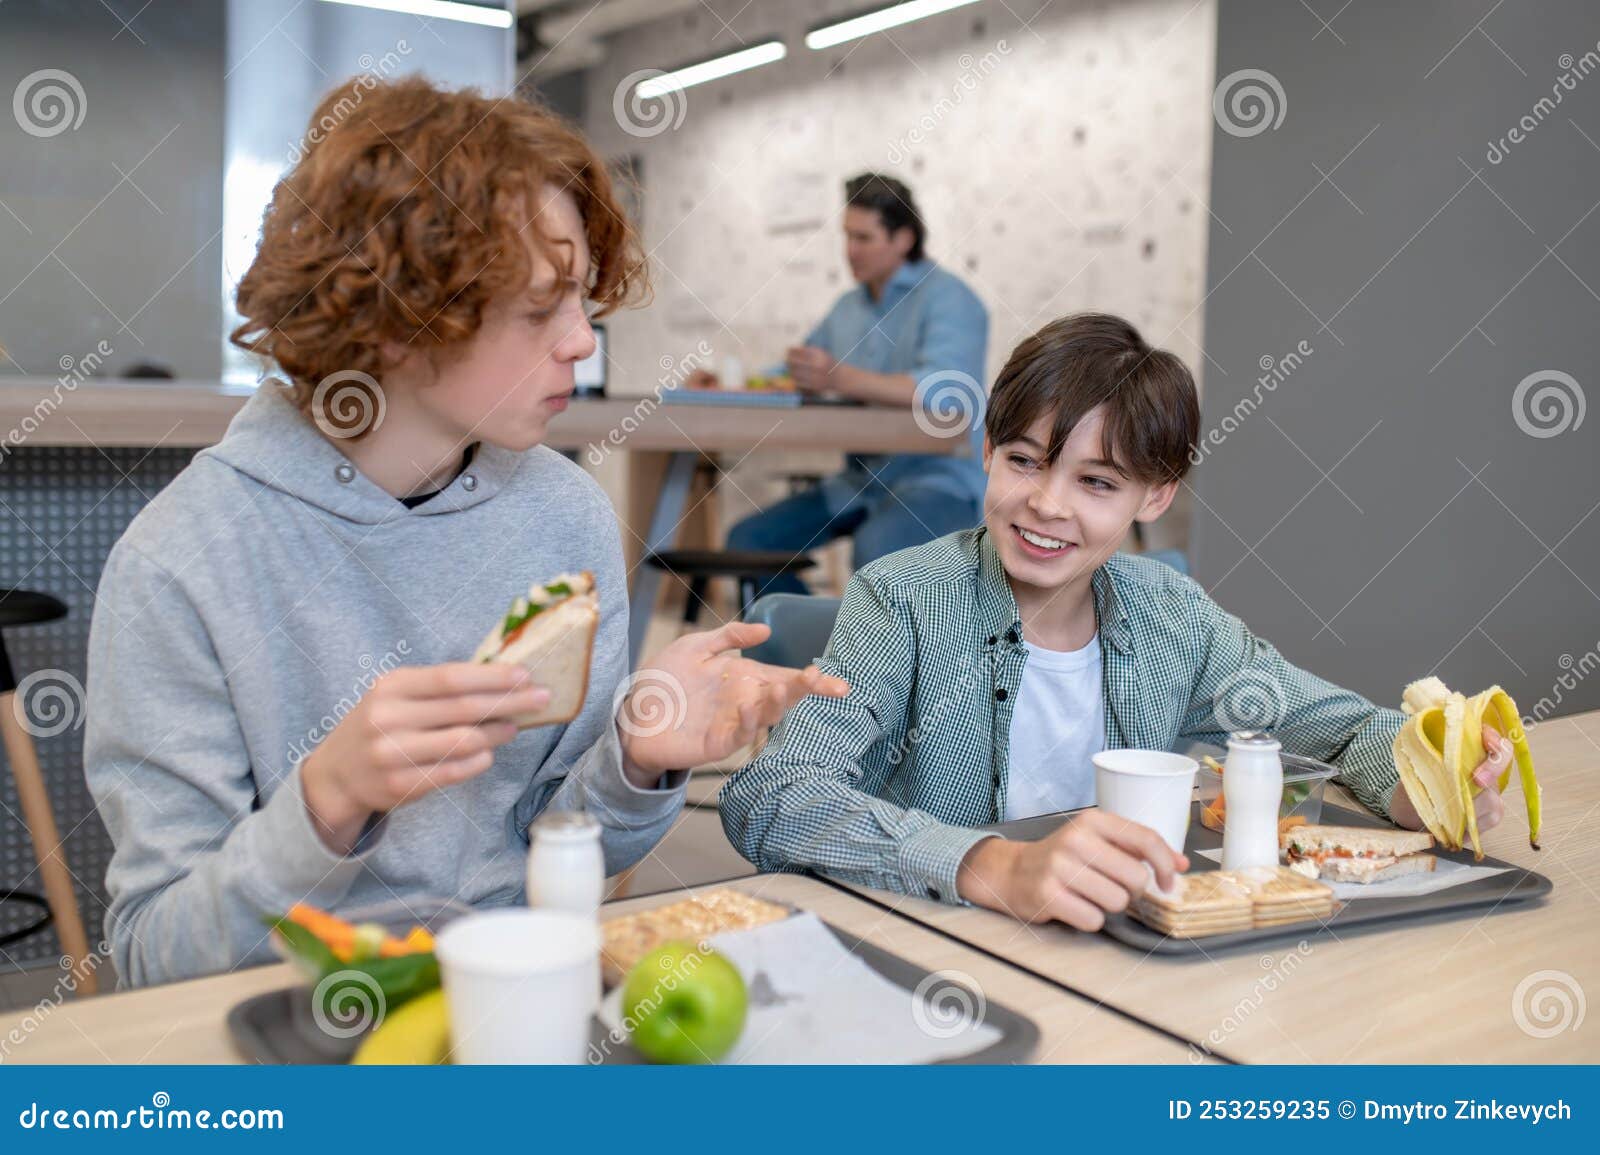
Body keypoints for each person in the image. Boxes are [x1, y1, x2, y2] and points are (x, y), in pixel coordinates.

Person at [84, 76, 846, 986]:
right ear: (397, 317)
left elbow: (560, 854)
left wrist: (637, 756)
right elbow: (151, 960)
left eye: (583, 306)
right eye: (538, 310)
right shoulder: (181, 562)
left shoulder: (560, 510)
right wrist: (325, 803)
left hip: (518, 1008)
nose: (581, 345)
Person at [719, 313, 1511, 929]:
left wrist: (1424, 784)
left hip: (1117, 951)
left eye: (1097, 482)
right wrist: (991, 864)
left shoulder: (1172, 617)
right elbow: (774, 796)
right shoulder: (901, 601)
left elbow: (1337, 733)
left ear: (1155, 496)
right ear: (988, 451)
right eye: (1024, 461)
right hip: (949, 952)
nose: (1047, 504)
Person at [696, 174, 989, 594]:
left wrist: (841, 377)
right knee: (747, 541)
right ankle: (804, 653)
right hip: (860, 482)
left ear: (903, 239)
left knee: (877, 550)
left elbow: (947, 394)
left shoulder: (951, 299)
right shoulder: (847, 308)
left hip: (938, 482)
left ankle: (854, 658)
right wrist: (727, 384)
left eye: (864, 238)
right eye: (847, 236)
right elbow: (797, 372)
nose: (850, 251)